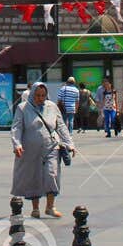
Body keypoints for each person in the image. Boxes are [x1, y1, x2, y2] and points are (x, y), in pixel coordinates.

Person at [11, 81, 74, 220]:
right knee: (34, 177)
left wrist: (69, 143)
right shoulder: (23, 108)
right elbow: (17, 127)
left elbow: (61, 126)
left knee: (52, 174)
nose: (41, 98)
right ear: (32, 94)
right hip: (31, 150)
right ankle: (35, 208)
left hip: (51, 147)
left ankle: (50, 206)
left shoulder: (52, 107)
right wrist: (17, 144)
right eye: (38, 95)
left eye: (43, 95)